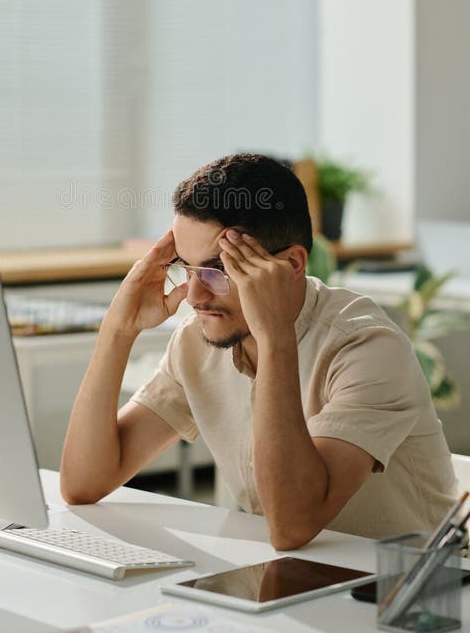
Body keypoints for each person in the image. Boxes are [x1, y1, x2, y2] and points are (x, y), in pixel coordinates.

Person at [60, 153, 457, 549]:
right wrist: (117, 330)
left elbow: (291, 526)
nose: (194, 296)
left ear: (292, 264)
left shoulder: (367, 348)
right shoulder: (197, 342)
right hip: (293, 580)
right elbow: (83, 483)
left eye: (217, 271)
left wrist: (275, 339)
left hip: (404, 592)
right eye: (188, 269)